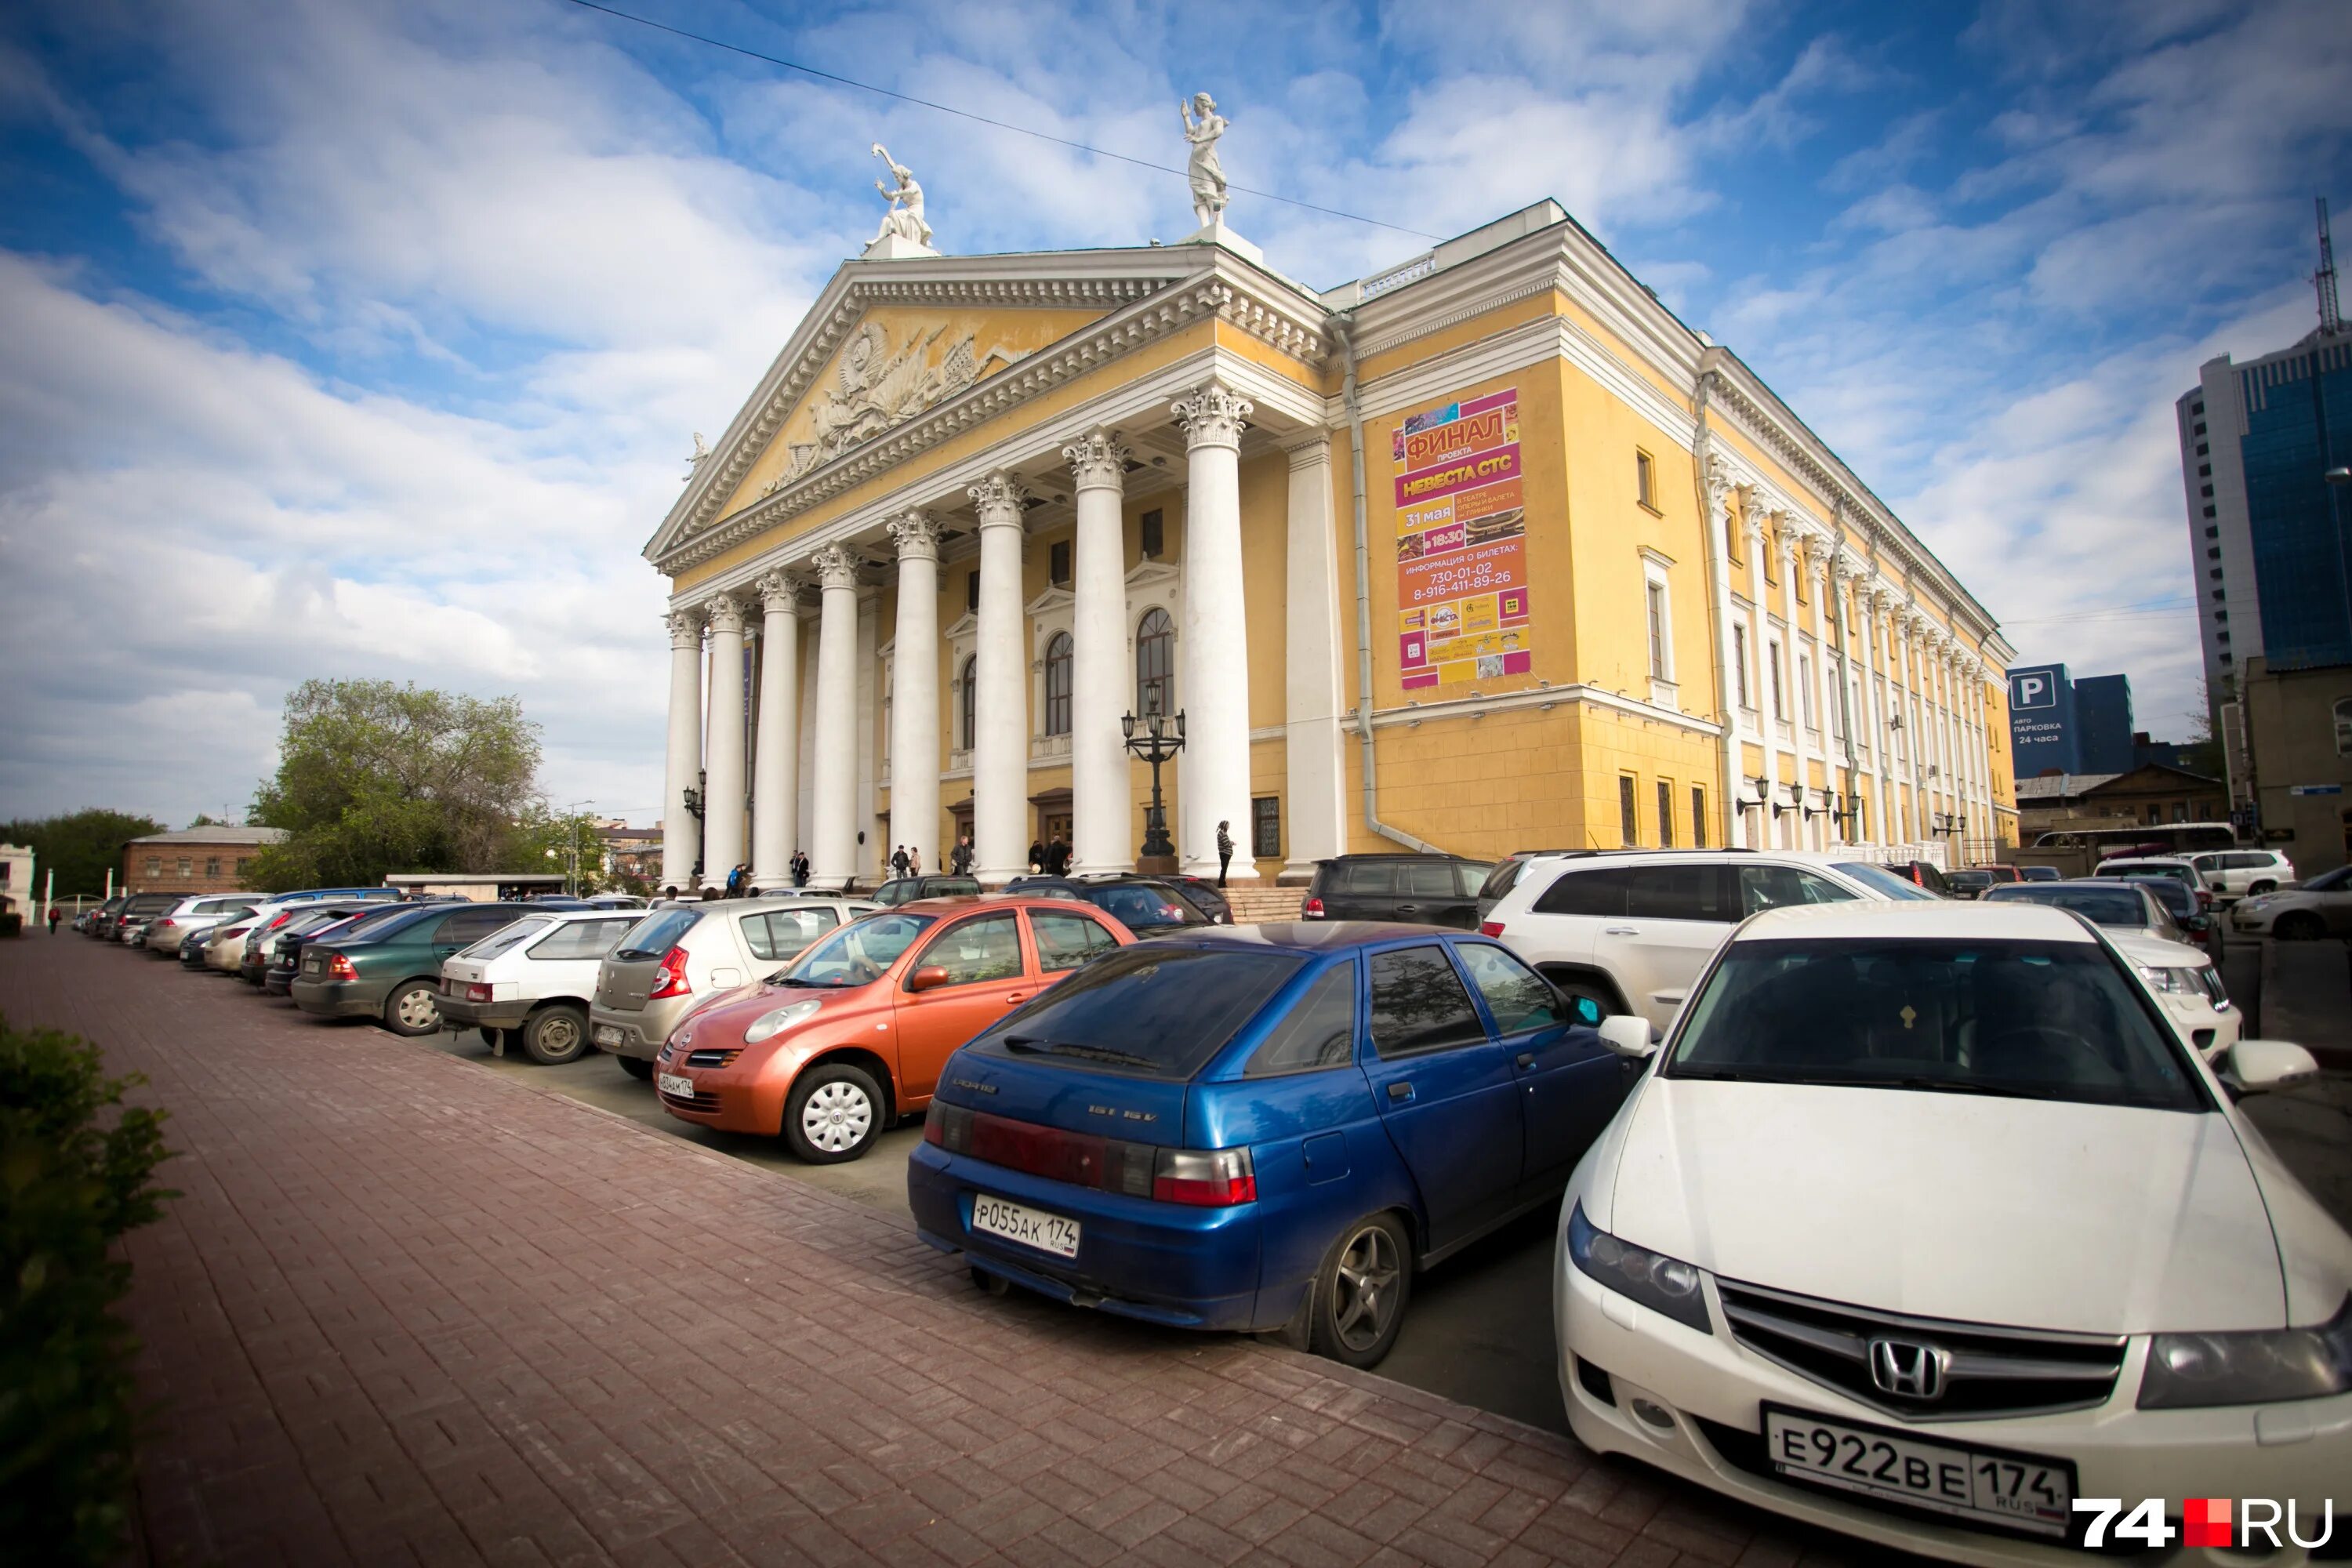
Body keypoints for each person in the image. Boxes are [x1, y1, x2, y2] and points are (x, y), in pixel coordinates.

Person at [1216, 819, 1235, 887]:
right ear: (1225, 826)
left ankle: (1222, 883)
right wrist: (1232, 843)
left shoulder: (1223, 833)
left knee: (1224, 869)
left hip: (1225, 854)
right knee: (1224, 869)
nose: (1229, 827)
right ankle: (1221, 884)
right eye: (1228, 825)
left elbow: (1226, 842)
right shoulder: (1222, 833)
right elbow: (1226, 843)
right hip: (1225, 854)